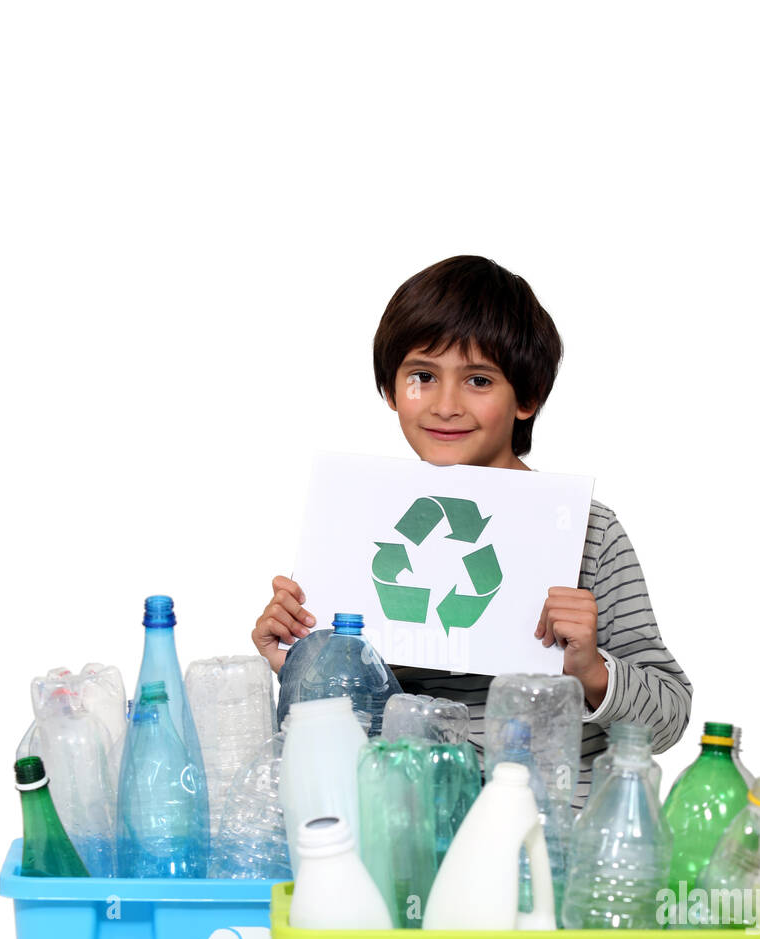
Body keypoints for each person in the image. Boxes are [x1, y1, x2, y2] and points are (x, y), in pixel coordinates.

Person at [252, 255, 691, 806]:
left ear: (527, 398)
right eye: (422, 377)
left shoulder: (585, 531)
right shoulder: (351, 525)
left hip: (539, 837)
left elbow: (671, 716)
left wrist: (593, 670)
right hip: (399, 833)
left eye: (478, 380)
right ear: (390, 390)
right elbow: (335, 739)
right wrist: (302, 659)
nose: (446, 405)